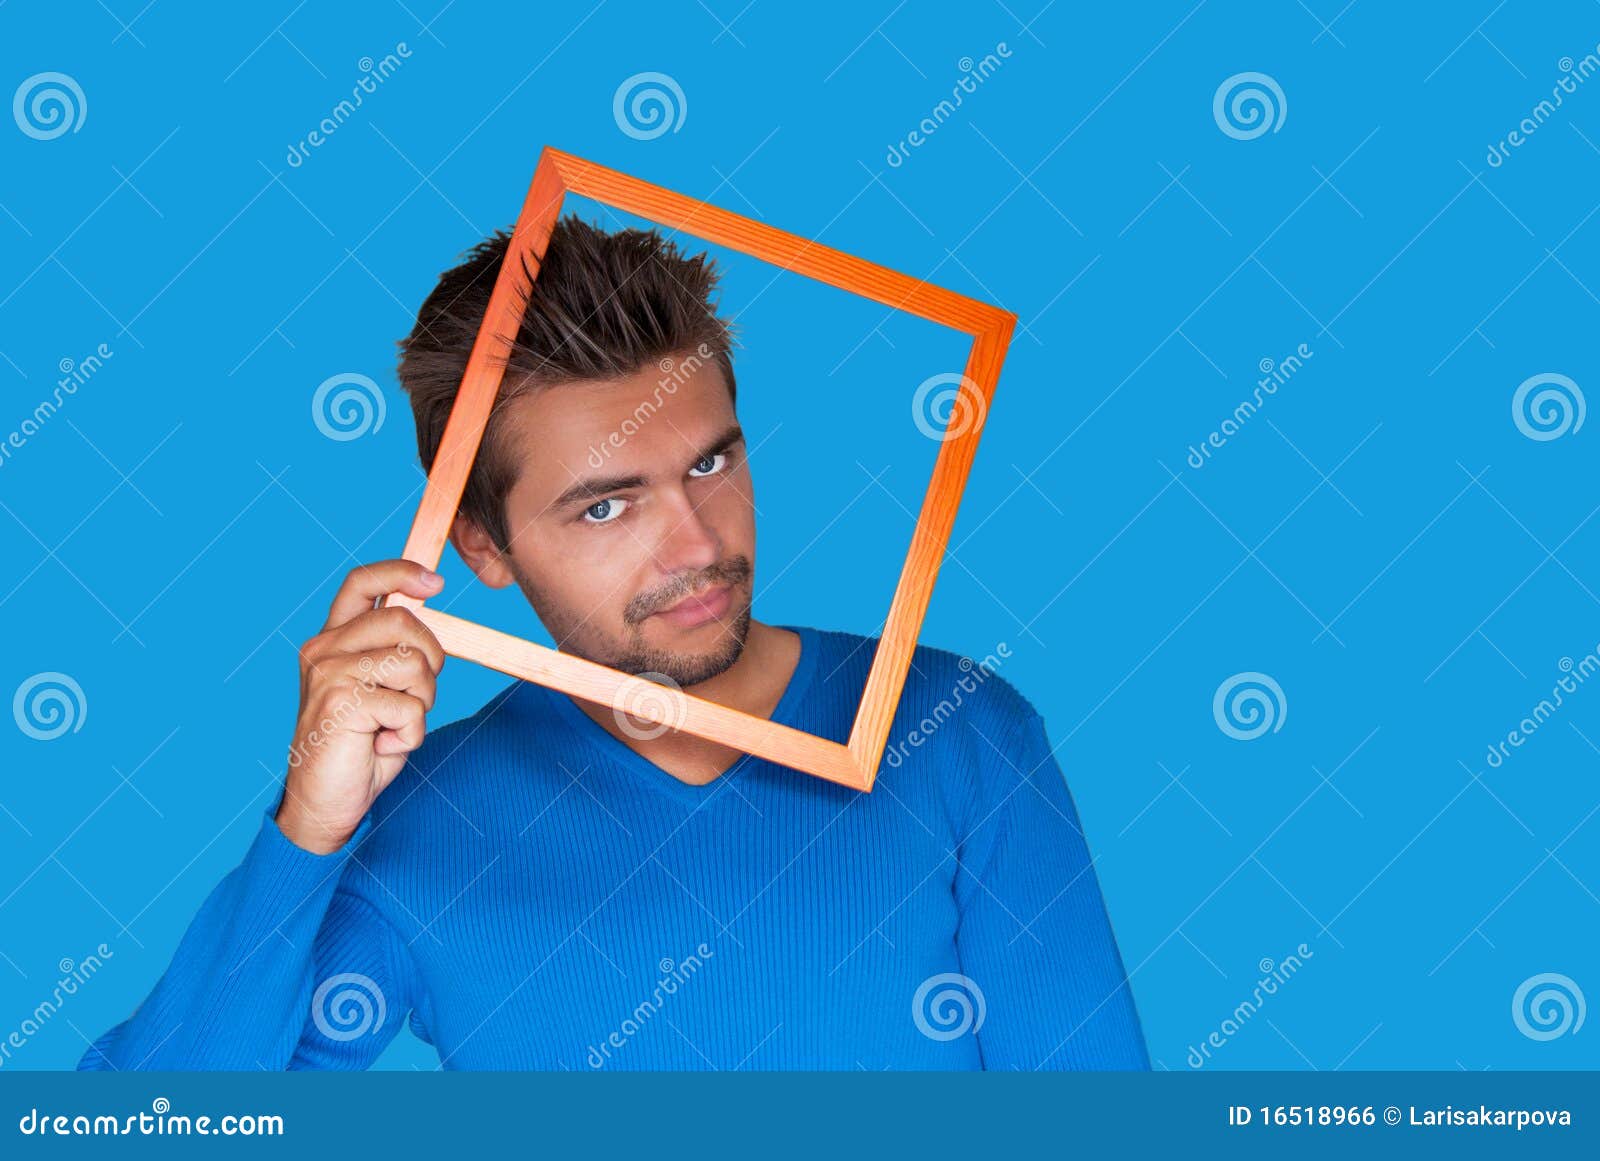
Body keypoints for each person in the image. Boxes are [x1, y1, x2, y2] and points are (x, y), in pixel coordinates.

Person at [80, 216, 1147, 1070]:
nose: (696, 547)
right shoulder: (419, 824)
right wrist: (307, 827)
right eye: (605, 509)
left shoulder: (959, 732)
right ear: (484, 548)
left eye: (711, 466)